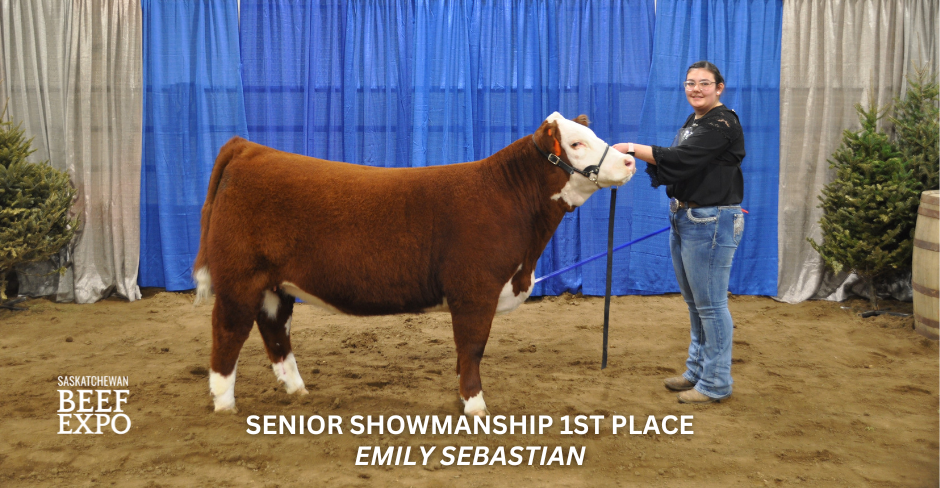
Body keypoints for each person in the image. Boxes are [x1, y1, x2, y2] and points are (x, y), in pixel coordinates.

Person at [613, 61, 745, 404]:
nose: (696, 89)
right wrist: (644, 159)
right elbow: (676, 165)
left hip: (710, 221)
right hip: (687, 217)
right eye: (690, 83)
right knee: (697, 303)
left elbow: (681, 158)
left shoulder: (722, 122)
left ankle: (716, 383)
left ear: (719, 87)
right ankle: (698, 370)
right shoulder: (695, 121)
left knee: (711, 305)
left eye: (704, 83)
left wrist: (629, 147)